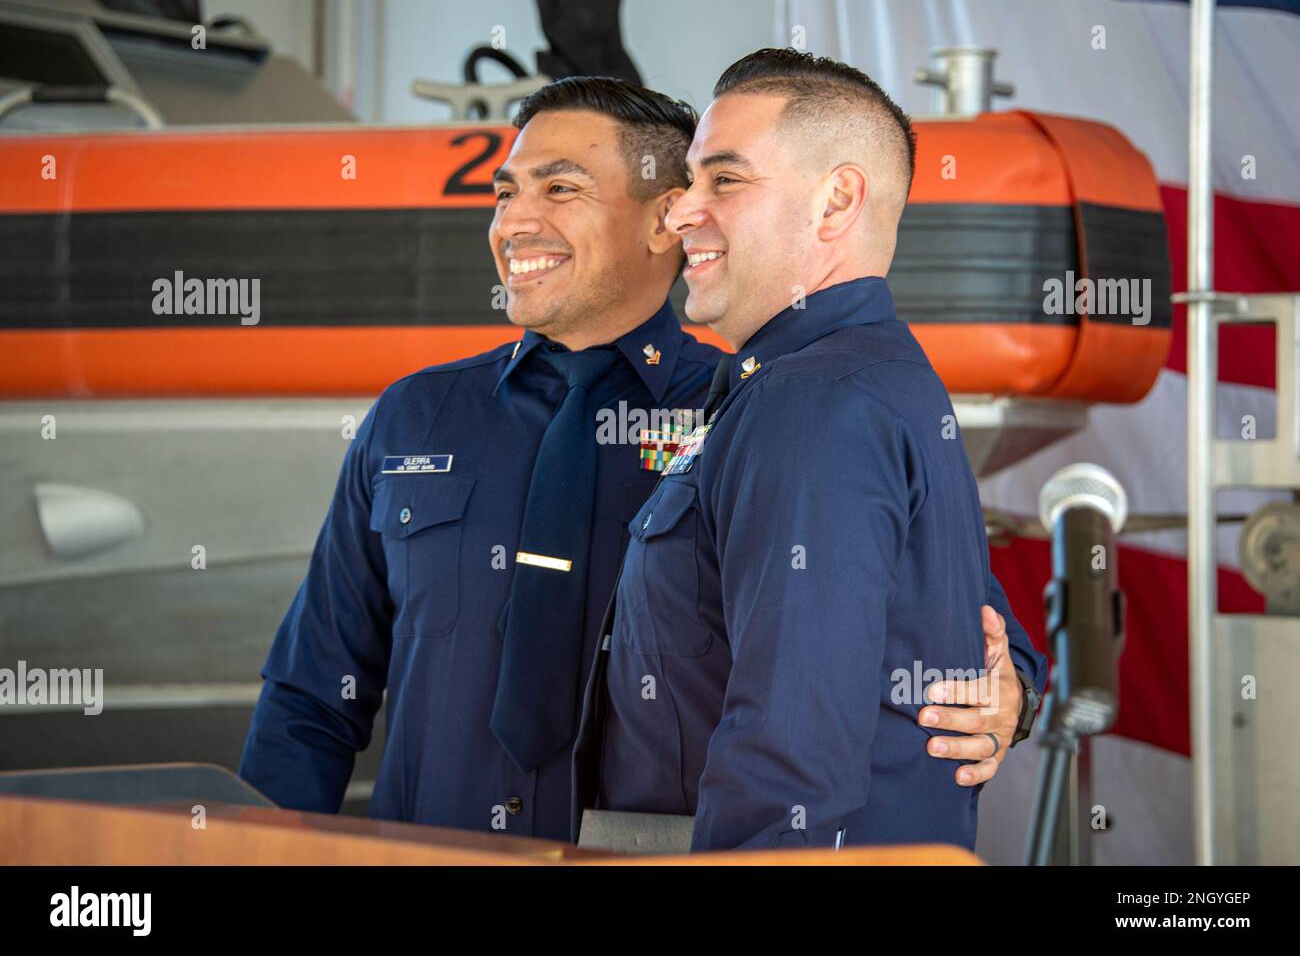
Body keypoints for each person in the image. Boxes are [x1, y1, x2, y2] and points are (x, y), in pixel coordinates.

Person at [240, 76, 1041, 843]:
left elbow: (941, 592)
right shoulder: (413, 417)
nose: (514, 222)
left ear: (667, 220)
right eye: (504, 192)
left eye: (559, 190)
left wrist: (1015, 687)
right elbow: (311, 694)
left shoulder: (752, 411)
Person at [574, 50, 1045, 853]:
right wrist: (1019, 680)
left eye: (724, 180)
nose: (681, 211)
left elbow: (789, 760)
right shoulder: (848, 381)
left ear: (836, 203)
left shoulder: (813, 405)